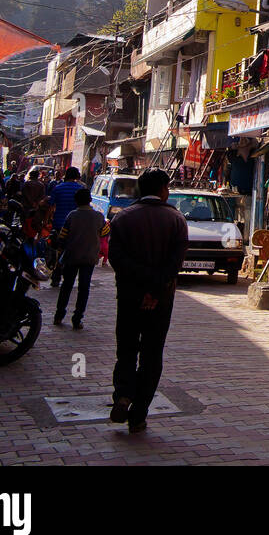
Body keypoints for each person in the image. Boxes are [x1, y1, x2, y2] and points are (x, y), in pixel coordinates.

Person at [107, 168, 189, 434]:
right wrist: (154, 291)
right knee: (152, 355)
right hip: (161, 300)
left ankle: (123, 394)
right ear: (162, 190)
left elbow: (116, 260)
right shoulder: (176, 220)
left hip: (129, 297)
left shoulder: (123, 219)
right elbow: (174, 265)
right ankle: (139, 413)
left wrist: (140, 287)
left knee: (127, 349)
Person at [53, 187, 108, 330]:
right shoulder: (99, 217)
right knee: (84, 288)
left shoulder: (72, 216)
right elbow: (105, 232)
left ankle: (59, 315)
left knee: (66, 286)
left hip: (71, 256)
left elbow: (62, 237)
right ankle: (77, 318)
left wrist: (59, 253)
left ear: (76, 201)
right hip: (89, 257)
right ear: (90, 200)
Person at [47, 167, 86, 287]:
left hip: (59, 225)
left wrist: (48, 221)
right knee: (71, 251)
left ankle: (56, 276)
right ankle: (68, 277)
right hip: (74, 226)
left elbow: (51, 206)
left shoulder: (58, 188)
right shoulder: (80, 189)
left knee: (59, 251)